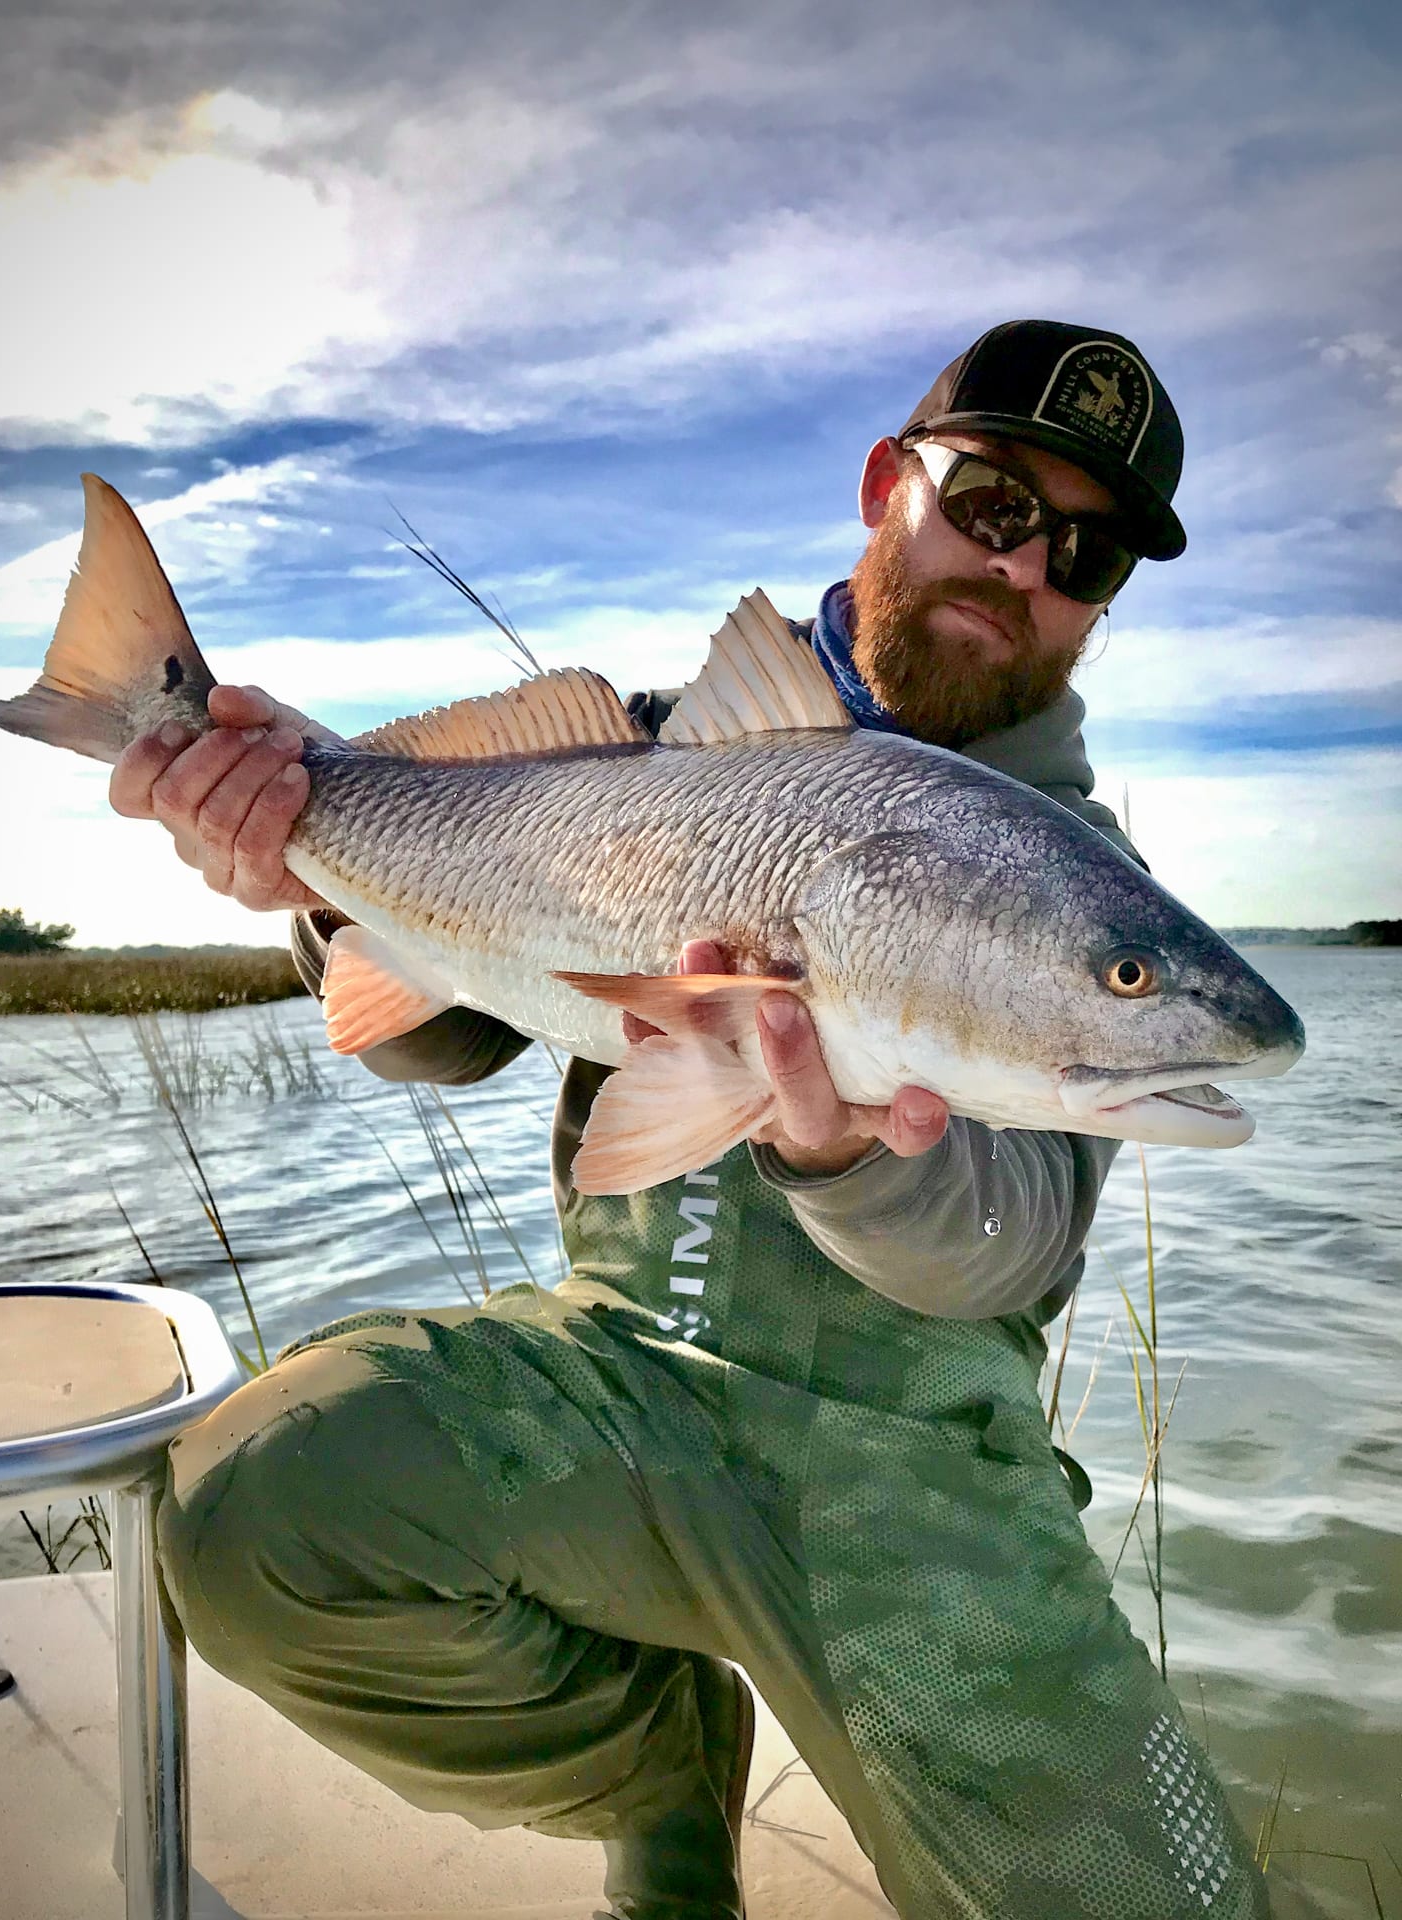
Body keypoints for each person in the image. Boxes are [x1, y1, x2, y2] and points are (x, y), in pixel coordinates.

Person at [112, 320, 1271, 1919]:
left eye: (1087, 556)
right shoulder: (644, 747)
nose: (1024, 573)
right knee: (247, 1506)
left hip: (914, 1470)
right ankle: (655, 1760)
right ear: (890, 485)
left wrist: (845, 1150)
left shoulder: (1074, 880)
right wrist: (306, 874)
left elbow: (1018, 1246)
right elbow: (438, 1039)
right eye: (994, 504)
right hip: (617, 1384)